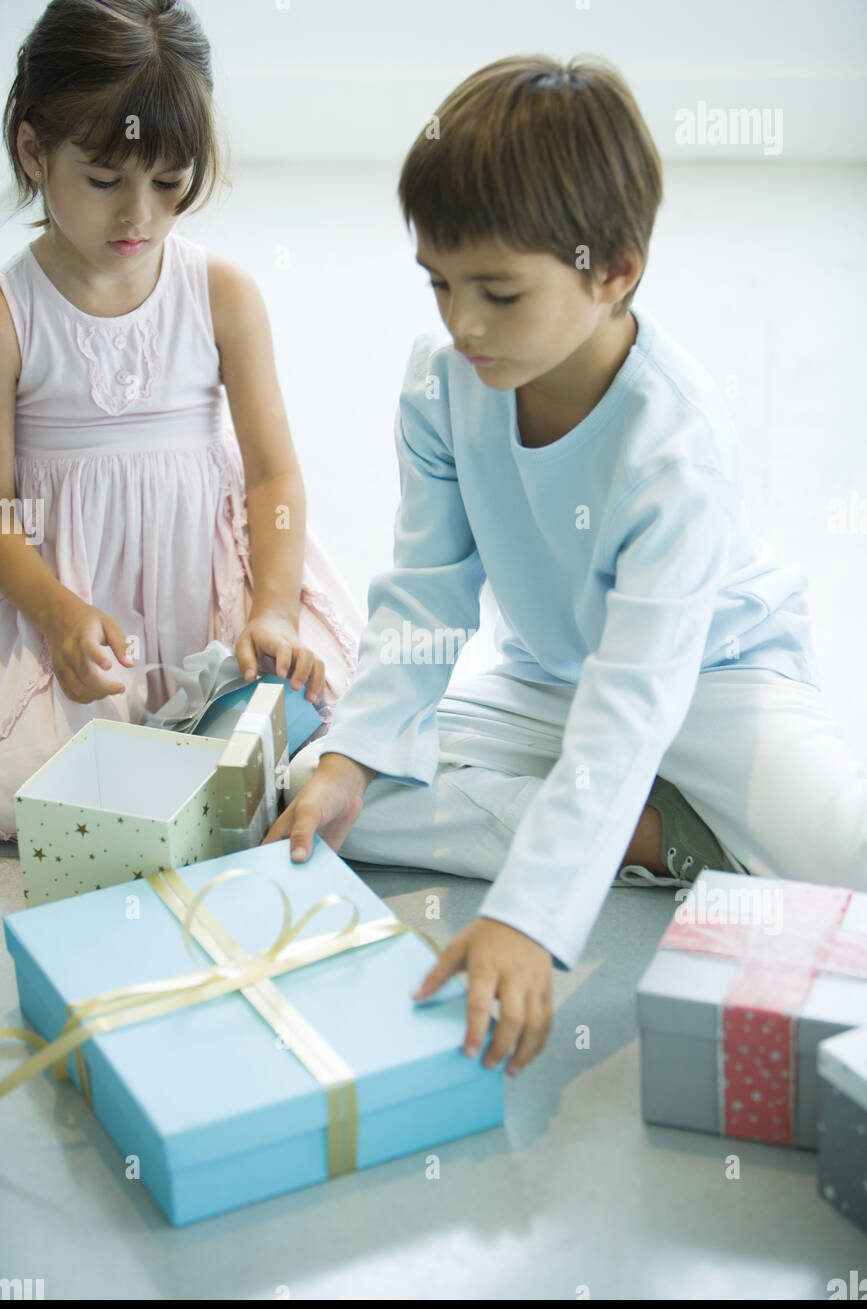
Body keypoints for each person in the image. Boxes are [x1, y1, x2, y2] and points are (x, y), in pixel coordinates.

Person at [264, 53, 867, 1079]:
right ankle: (653, 838)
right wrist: (354, 757)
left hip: (716, 676)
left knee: (853, 859)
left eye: (498, 292)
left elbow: (637, 701)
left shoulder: (674, 446)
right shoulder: (443, 384)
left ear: (615, 271)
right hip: (553, 680)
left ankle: (601, 839)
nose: (461, 324)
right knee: (319, 797)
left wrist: (530, 919)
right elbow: (425, 597)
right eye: (440, 284)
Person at [0, 0, 362, 838]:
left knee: (318, 724)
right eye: (104, 181)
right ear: (33, 152)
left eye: (168, 184)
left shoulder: (221, 294)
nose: (139, 217)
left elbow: (274, 474)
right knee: (48, 792)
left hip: (213, 588)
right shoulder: (13, 314)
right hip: (70, 600)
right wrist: (56, 614)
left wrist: (271, 608)